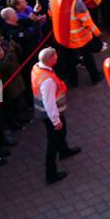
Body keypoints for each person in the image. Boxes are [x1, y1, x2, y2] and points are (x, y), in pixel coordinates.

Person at [31, 47, 78, 185]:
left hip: (48, 113)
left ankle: (64, 150)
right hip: (51, 114)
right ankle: (51, 173)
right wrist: (56, 120)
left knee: (61, 134)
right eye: (55, 55)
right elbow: (49, 102)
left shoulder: (37, 68)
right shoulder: (48, 80)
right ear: (50, 59)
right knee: (53, 142)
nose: (57, 57)